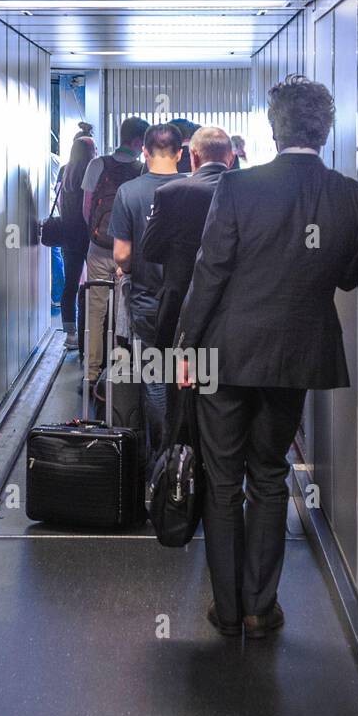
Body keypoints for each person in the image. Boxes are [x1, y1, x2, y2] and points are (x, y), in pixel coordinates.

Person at [174, 76, 358, 639]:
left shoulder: (237, 188)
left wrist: (185, 348)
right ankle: (262, 607)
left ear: (272, 128)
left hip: (226, 354)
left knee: (222, 478)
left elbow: (209, 273)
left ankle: (227, 609)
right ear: (325, 130)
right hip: (295, 356)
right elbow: (350, 278)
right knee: (269, 473)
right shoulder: (350, 196)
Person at [111, 122, 185, 459]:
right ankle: (187, 458)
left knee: (155, 382)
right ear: (181, 153)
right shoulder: (198, 188)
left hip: (147, 304)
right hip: (189, 306)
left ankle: (160, 460)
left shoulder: (129, 191)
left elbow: (123, 255)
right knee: (193, 378)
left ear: (144, 151)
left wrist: (128, 268)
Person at [141, 124, 234, 356]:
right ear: (230, 158)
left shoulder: (171, 192)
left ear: (193, 155)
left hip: (178, 303)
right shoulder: (251, 193)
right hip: (231, 308)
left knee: (174, 381)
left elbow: (149, 250)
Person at [81, 116, 149, 386]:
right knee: (126, 312)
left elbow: (87, 210)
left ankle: (91, 372)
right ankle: (124, 370)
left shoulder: (97, 164)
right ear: (136, 141)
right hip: (128, 253)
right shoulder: (142, 170)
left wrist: (98, 236)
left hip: (98, 249)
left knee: (96, 311)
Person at [55, 132, 97, 345]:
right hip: (91, 236)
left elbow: (60, 202)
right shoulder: (94, 170)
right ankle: (91, 331)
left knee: (70, 285)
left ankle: (70, 335)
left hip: (69, 235)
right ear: (90, 152)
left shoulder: (64, 170)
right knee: (94, 285)